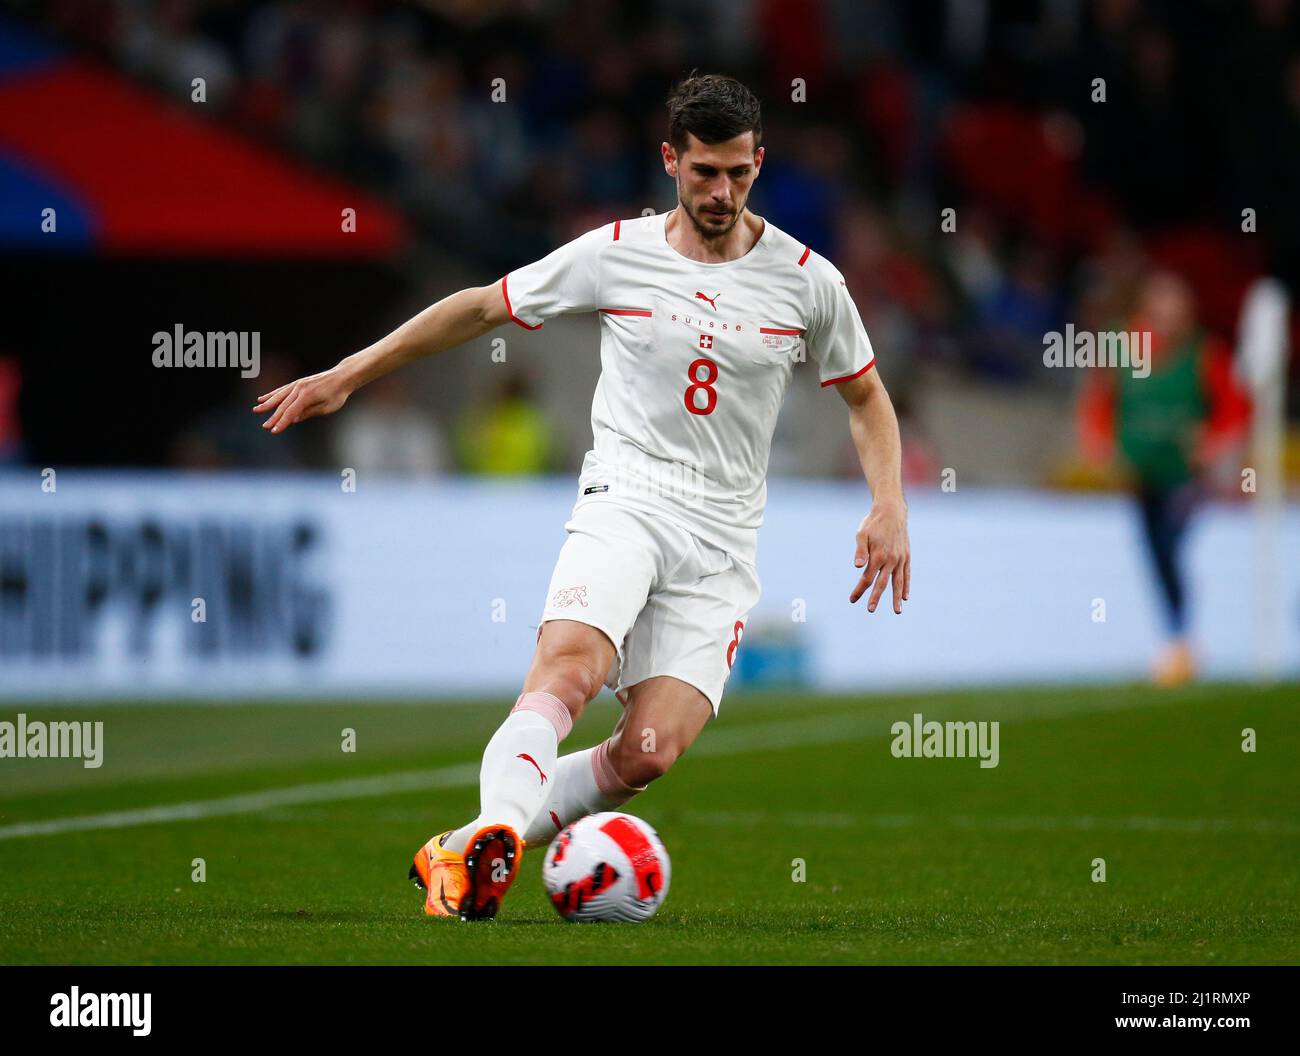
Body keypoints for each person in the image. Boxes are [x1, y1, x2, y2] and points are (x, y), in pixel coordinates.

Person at [255, 74, 910, 921]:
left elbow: (866, 397)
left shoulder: (809, 282)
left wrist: (888, 504)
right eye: (704, 172)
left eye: (738, 175)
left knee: (647, 753)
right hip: (627, 497)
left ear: (759, 164)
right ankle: (497, 829)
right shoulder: (613, 252)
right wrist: (348, 373)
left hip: (722, 539)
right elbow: (478, 309)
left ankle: (463, 847)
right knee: (568, 671)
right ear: (670, 158)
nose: (721, 193)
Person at [1078, 269, 1251, 685]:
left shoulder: (1205, 354)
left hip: (1184, 476)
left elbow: (1237, 409)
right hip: (1141, 475)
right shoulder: (1123, 346)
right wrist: (1101, 445)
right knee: (1154, 550)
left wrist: (1211, 443)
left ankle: (1179, 641)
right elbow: (1100, 401)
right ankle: (1178, 641)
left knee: (1169, 545)